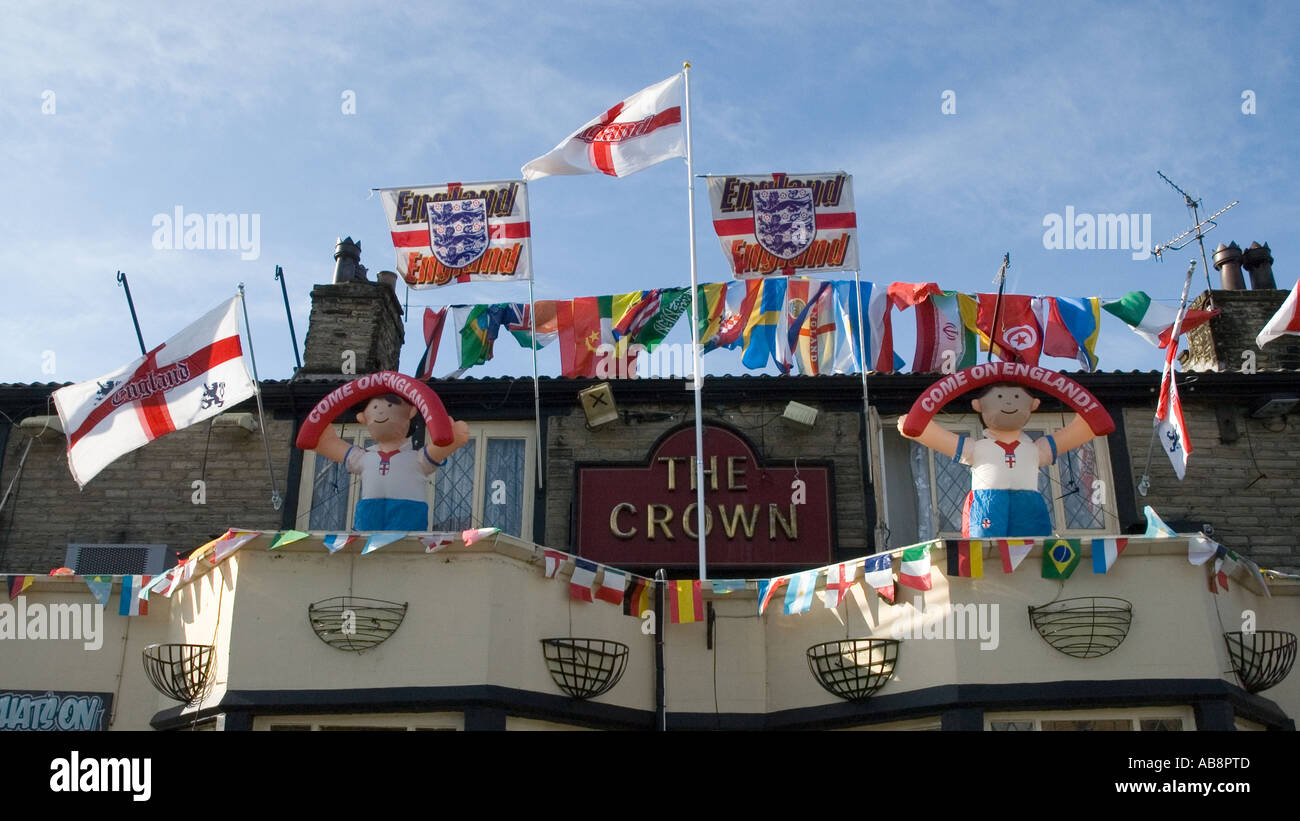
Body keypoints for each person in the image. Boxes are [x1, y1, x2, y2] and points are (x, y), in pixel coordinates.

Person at [897, 382, 1098, 538]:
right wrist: (917, 427)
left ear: (1033, 405)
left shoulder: (1035, 448)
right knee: (986, 545)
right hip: (988, 501)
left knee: (1033, 543)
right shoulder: (976, 447)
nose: (1009, 403)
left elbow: (1077, 433)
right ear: (978, 406)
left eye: (1017, 397)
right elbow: (940, 438)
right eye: (1000, 397)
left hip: (1028, 501)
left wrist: (1089, 420)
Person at [312, 393, 471, 531]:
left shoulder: (416, 458)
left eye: (389, 406)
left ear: (411, 412)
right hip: (369, 519)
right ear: (363, 418)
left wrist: (450, 438)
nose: (381, 411)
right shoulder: (365, 457)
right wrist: (322, 439)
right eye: (374, 408)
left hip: (407, 519)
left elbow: (437, 449)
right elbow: (332, 447)